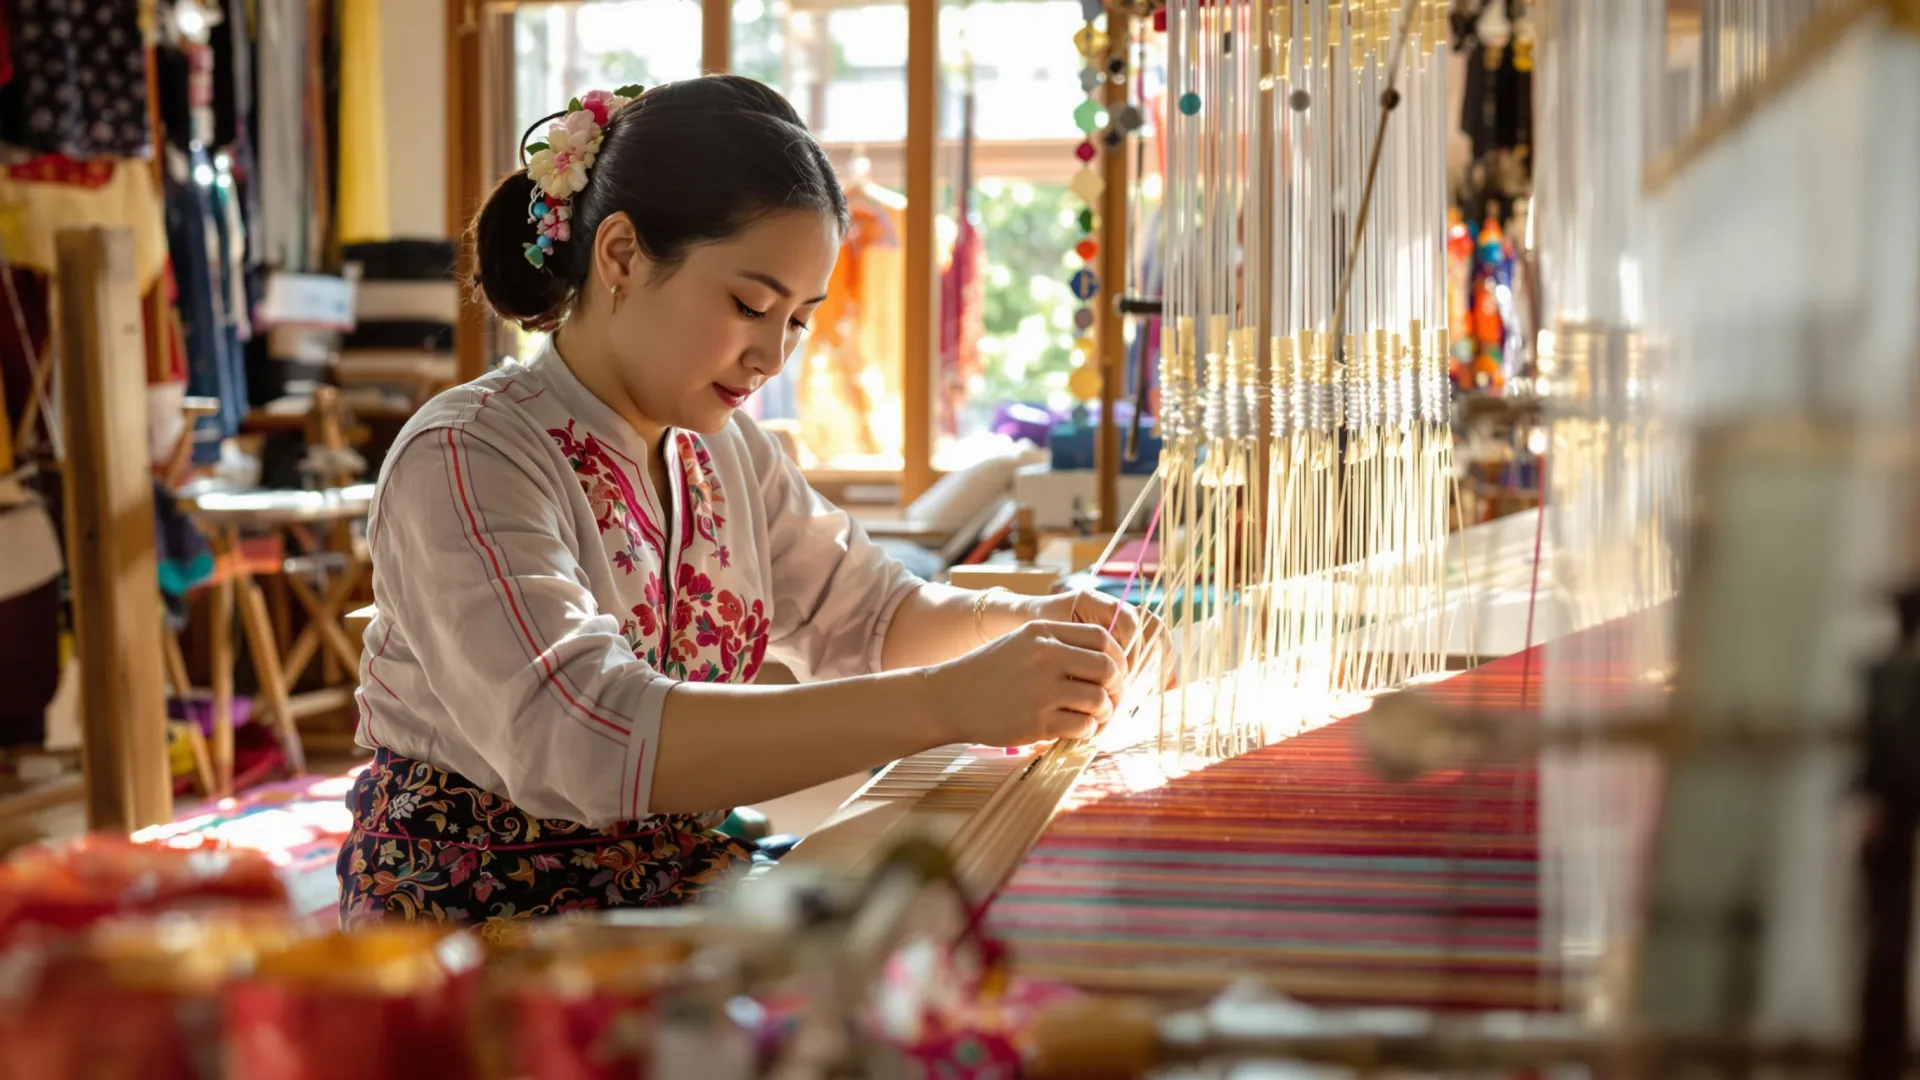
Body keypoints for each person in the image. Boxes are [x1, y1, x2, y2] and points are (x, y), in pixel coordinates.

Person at [336, 75, 1148, 936]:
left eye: (797, 320)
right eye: (750, 305)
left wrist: (1046, 623)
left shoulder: (722, 449)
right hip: (478, 918)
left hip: (672, 884)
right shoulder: (468, 453)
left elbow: (871, 616)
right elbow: (582, 737)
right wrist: (949, 702)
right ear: (620, 255)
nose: (772, 356)